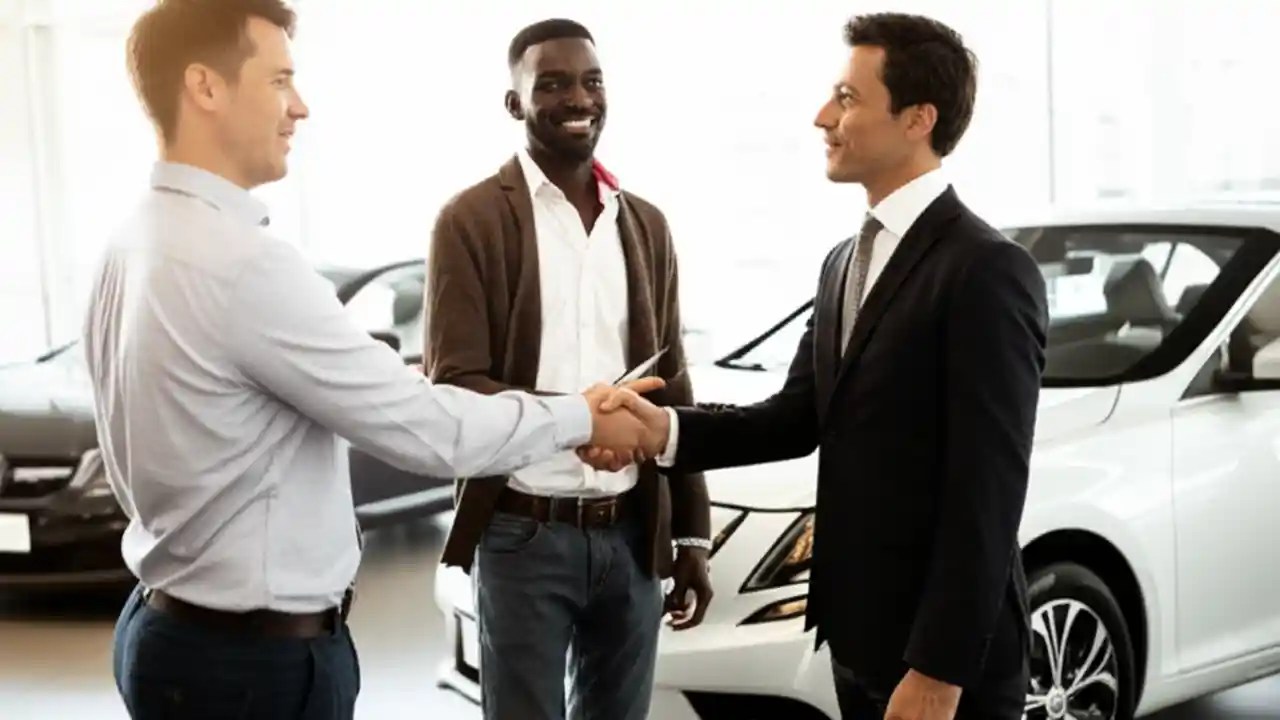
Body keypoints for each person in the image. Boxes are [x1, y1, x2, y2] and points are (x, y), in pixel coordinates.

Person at [85, 3, 656, 719]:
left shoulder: (132, 239)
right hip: (253, 667)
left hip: (167, 626)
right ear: (205, 87)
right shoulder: (244, 265)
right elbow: (429, 432)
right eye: (280, 80)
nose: (300, 106)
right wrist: (583, 415)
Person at [589, 12, 1048, 720]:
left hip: (942, 666)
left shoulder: (987, 270)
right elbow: (796, 417)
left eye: (847, 97)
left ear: (918, 119)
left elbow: (987, 492)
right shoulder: (844, 262)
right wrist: (663, 433)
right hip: (858, 641)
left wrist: (938, 671)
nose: (821, 117)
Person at [424, 18, 713, 720]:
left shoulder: (644, 224)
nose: (577, 98)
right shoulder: (470, 221)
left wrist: (692, 534)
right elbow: (457, 385)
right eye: (551, 84)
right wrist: (581, 421)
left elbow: (672, 385)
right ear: (515, 103)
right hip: (523, 530)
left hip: (631, 533)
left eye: (590, 81)